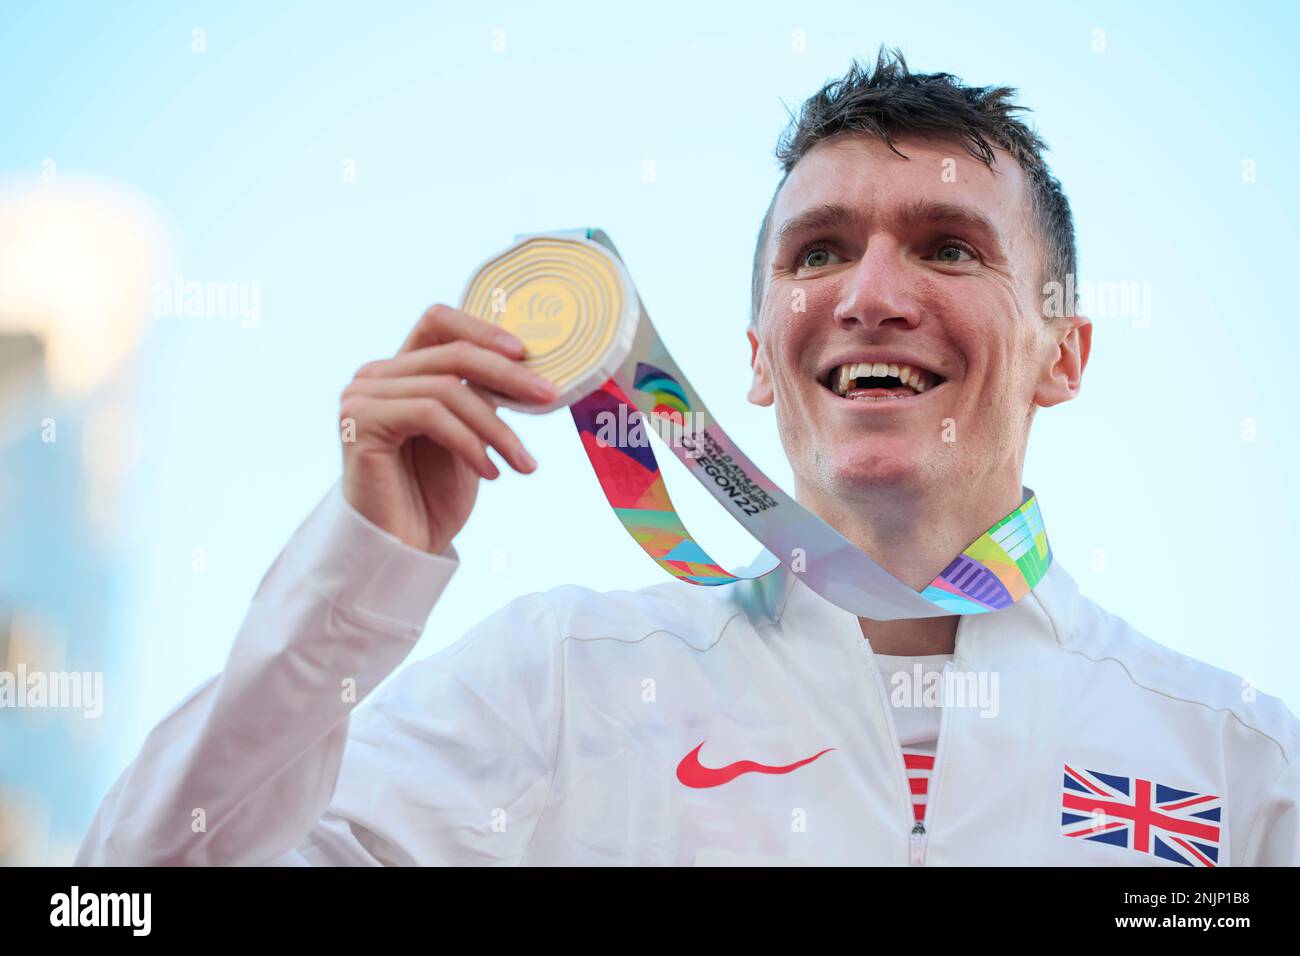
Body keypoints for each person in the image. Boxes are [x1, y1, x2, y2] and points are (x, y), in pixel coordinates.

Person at [77, 47, 1298, 866]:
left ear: (1062, 355)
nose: (871, 293)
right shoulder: (564, 683)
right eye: (818, 251)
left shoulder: (1234, 758)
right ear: (760, 359)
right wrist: (357, 574)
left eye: (947, 247)